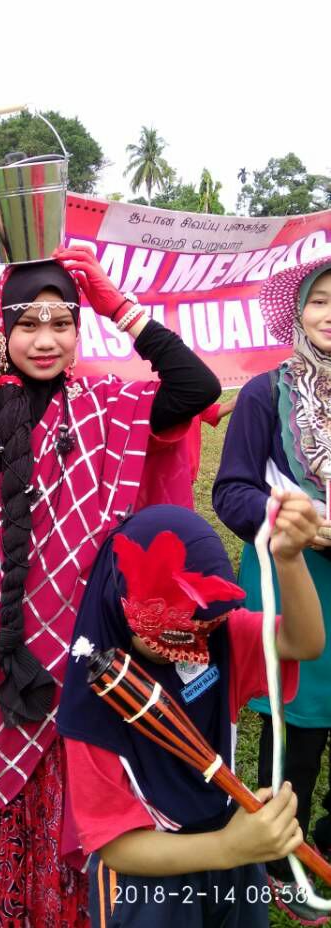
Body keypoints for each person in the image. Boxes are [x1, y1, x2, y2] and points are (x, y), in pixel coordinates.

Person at [0, 156, 221, 925]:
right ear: (1, 332)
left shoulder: (109, 405)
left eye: (61, 320)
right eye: (26, 321)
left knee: (84, 815)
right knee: (1, 815)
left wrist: (113, 300)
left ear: (78, 329)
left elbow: (196, 388)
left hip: (86, 653)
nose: (44, 337)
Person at [57, 499, 323, 928]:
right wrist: (229, 847)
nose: (192, 651)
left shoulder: (221, 639)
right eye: (172, 633)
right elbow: (115, 848)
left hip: (231, 849)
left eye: (204, 631)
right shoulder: (94, 708)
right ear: (120, 602)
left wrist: (289, 560)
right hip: (148, 882)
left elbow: (303, 642)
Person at [213, 256, 331, 922]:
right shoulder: (266, 392)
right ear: (296, 313)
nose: (328, 315)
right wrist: (293, 526)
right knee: (295, 737)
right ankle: (281, 860)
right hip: (293, 583)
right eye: (318, 301)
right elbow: (230, 493)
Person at [187, 395, 238, 486]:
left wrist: (233, 403)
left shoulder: (190, 396)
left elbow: (211, 411)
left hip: (188, 471)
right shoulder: (159, 396)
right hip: (169, 472)